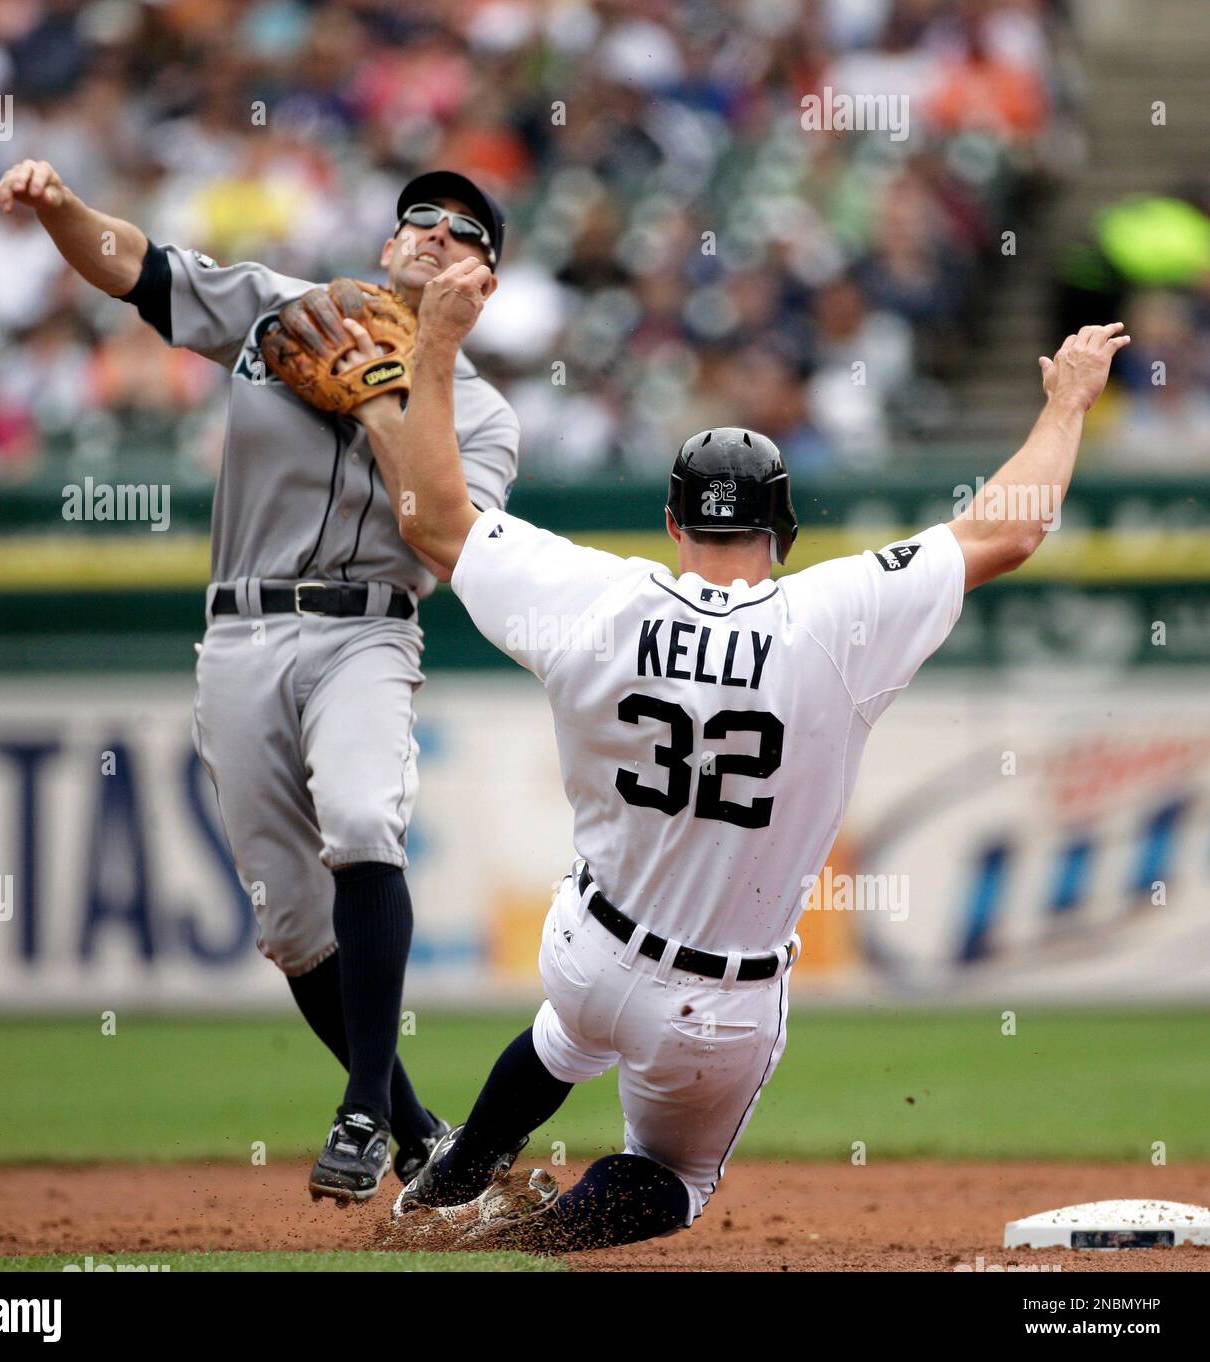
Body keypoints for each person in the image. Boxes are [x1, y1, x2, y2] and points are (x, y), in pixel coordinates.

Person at [385, 257, 1128, 1251]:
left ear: (670, 521)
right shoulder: (838, 614)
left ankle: (457, 1172)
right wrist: (1068, 400)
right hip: (719, 1001)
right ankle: (523, 1247)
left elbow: (434, 518)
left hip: (590, 949)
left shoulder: (598, 596)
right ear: (782, 525)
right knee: (672, 1178)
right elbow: (1011, 529)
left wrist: (433, 352)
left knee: (566, 1035)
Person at [0, 161, 521, 1202]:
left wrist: (387, 397)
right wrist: (59, 208)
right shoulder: (281, 310)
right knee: (289, 926)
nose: (433, 234)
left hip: (366, 632)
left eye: (463, 234)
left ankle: (365, 1109)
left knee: (367, 822)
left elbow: (445, 539)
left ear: (483, 281)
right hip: (237, 631)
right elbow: (139, 270)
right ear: (385, 244)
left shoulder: (490, 416)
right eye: (418, 219)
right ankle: (419, 1138)